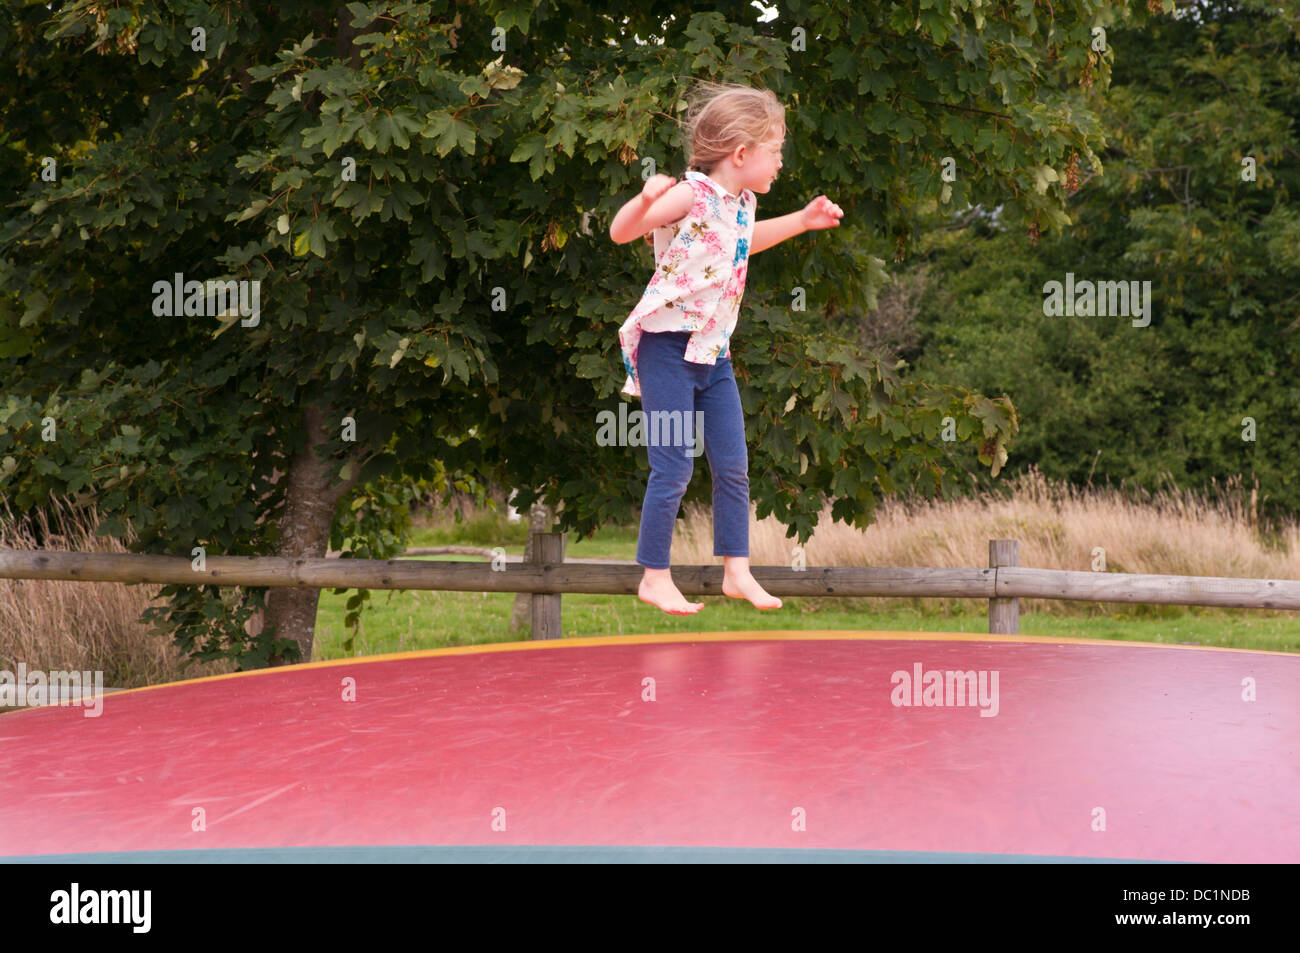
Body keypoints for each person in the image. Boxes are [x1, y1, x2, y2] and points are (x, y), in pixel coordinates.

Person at [608, 81, 844, 615]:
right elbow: (622, 234)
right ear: (741, 154)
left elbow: (743, 244)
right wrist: (644, 200)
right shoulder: (691, 194)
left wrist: (803, 222)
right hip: (666, 352)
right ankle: (654, 575)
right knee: (672, 468)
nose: (780, 162)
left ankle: (736, 570)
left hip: (713, 358)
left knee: (733, 465)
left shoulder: (743, 203)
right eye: (775, 151)